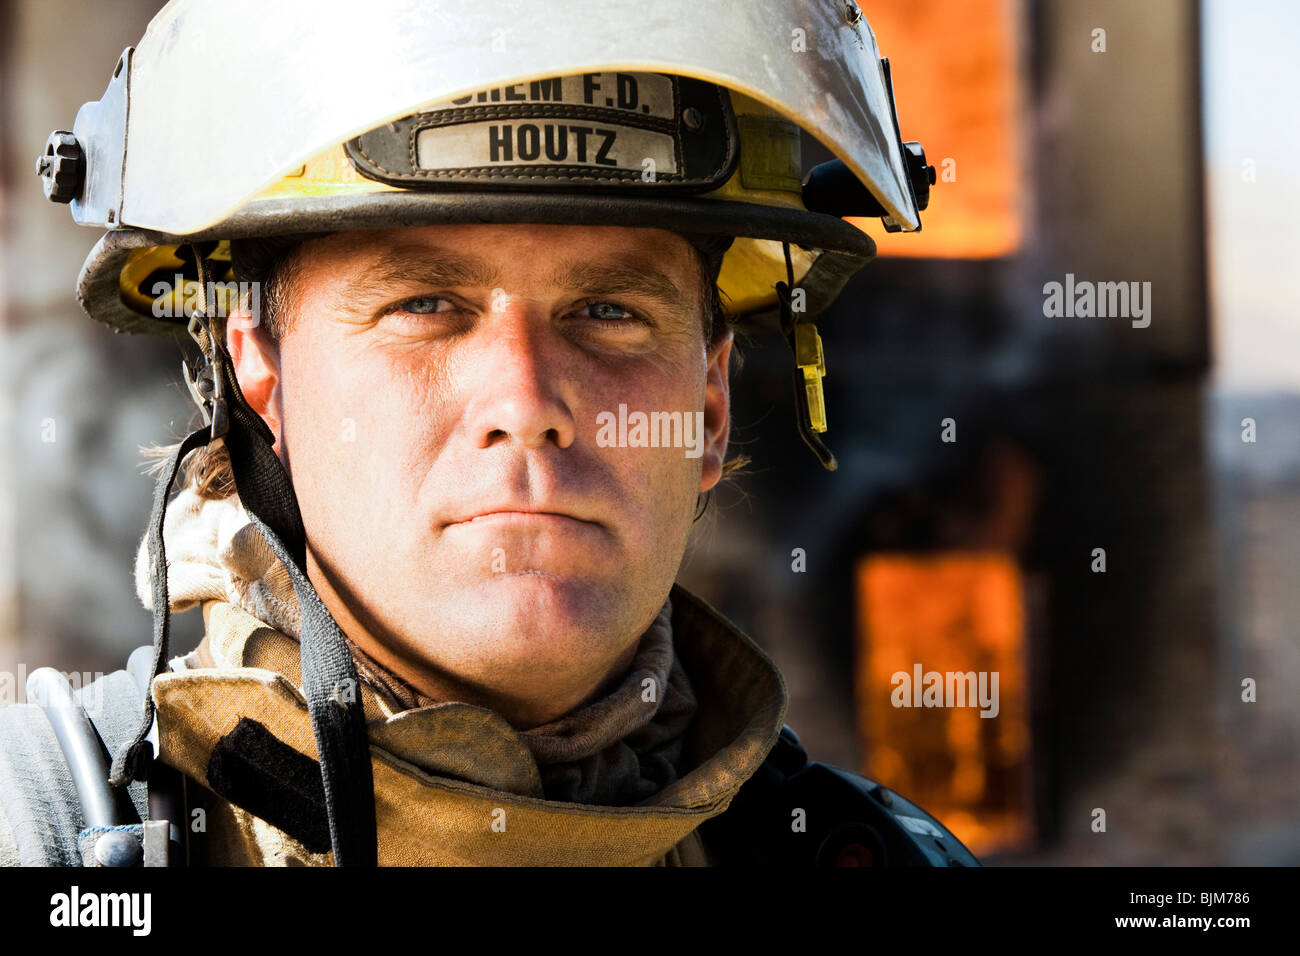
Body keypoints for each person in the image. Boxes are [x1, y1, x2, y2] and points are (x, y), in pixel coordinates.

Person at [3, 0, 973, 867]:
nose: (525, 399)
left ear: (708, 407)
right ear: (264, 378)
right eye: (426, 303)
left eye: (607, 310)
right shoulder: (41, 835)